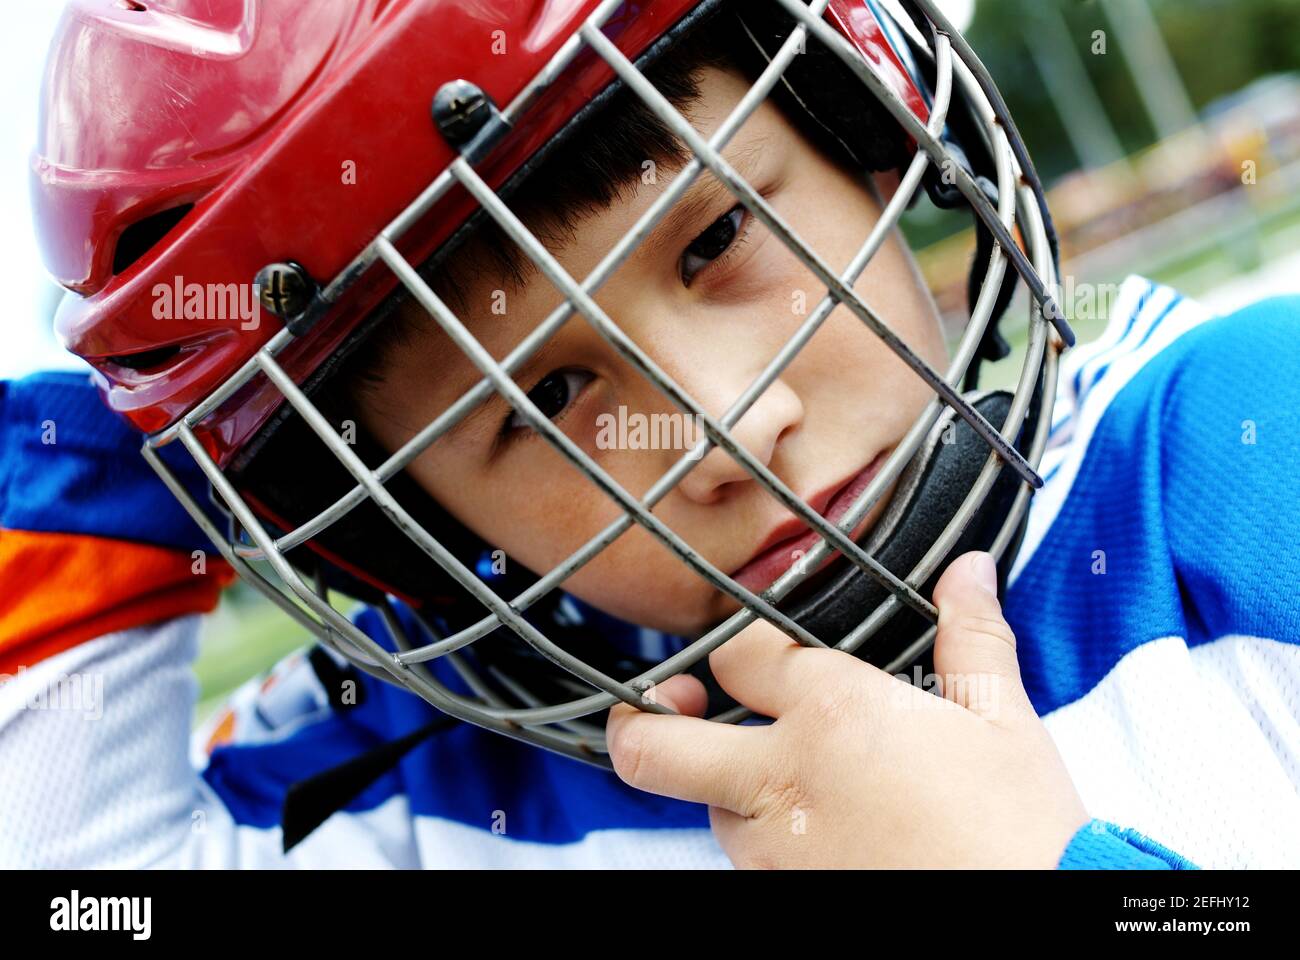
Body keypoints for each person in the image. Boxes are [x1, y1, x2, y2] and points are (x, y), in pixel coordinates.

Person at [2, 0, 1296, 869]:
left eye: (719, 237)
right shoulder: (445, 794)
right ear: (409, 519)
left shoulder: (1246, 457)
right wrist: (145, 388)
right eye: (545, 402)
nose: (729, 427)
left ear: (871, 117)